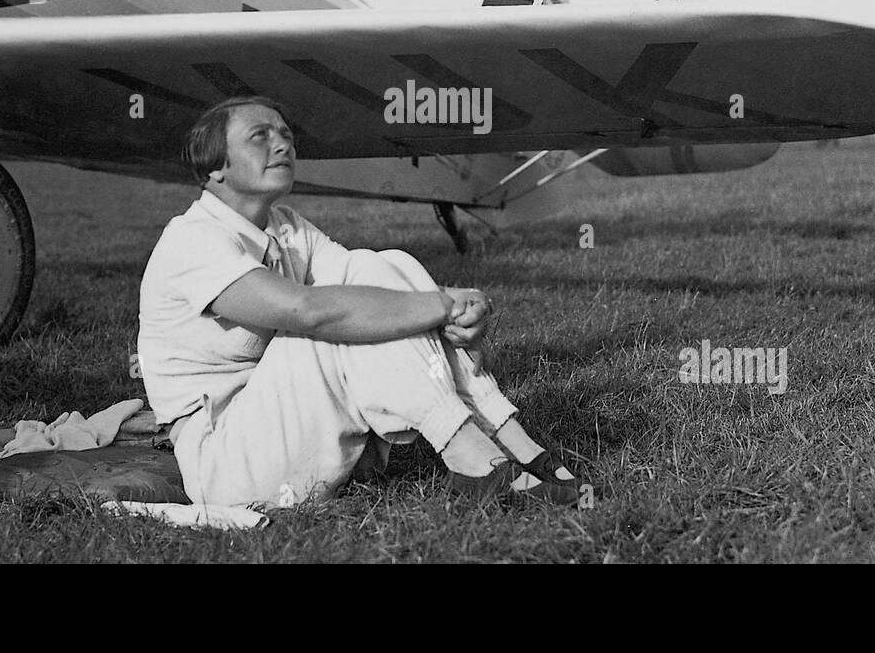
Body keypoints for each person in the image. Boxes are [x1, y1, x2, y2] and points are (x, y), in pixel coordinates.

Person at [138, 95, 581, 508]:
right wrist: (442, 306)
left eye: (286, 135)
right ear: (215, 166)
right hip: (231, 468)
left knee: (385, 263)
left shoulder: (284, 225)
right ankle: (471, 448)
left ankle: (508, 441)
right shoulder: (192, 240)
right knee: (335, 318)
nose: (282, 145)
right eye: (261, 136)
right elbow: (306, 311)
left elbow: (366, 279)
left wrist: (453, 307)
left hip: (304, 434)